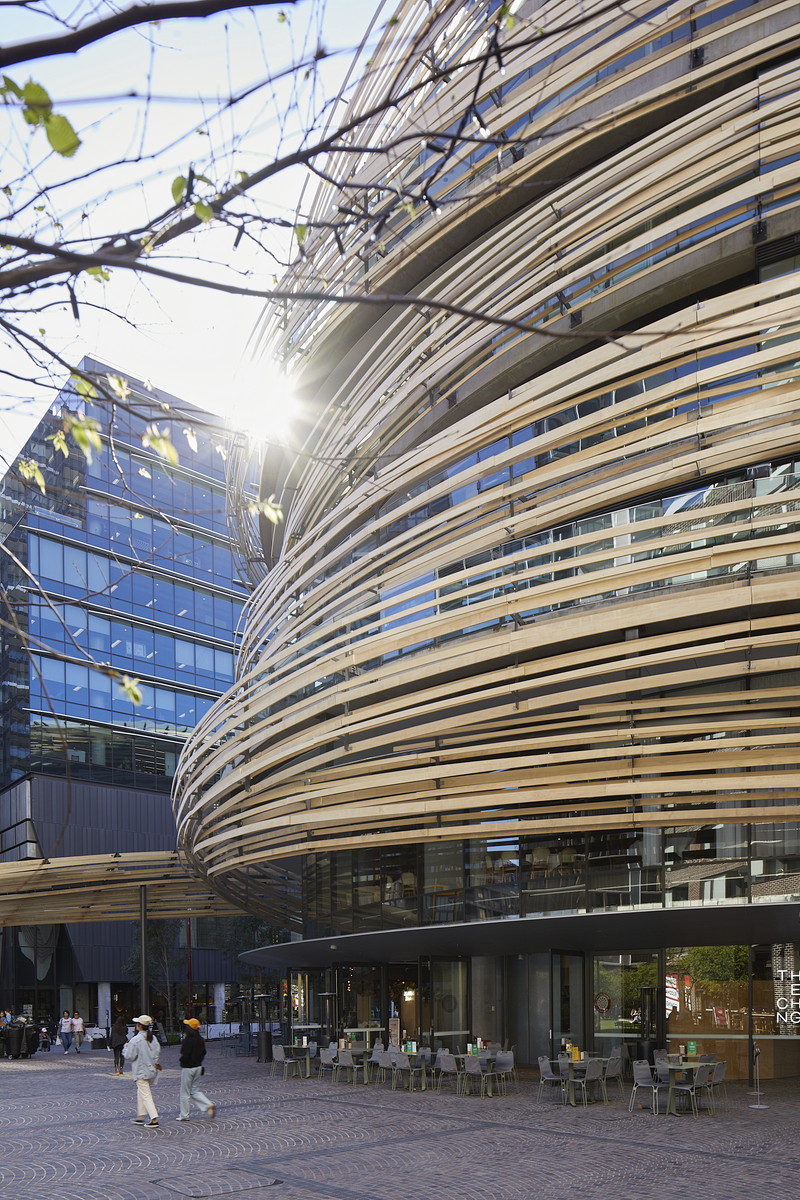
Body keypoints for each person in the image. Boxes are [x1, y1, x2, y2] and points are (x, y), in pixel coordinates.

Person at [122, 1014, 162, 1127]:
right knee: (142, 1092)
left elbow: (130, 1056)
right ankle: (140, 1116)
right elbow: (157, 1052)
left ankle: (154, 1119)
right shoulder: (152, 1038)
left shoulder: (135, 1040)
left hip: (141, 1070)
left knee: (145, 1094)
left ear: (139, 1026)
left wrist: (125, 1049)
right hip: (151, 1070)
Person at [177, 1018, 216, 1121]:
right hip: (198, 1067)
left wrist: (182, 1062)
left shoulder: (188, 1040)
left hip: (188, 1068)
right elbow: (204, 1052)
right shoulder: (200, 1039)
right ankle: (208, 1104)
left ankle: (184, 1115)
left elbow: (185, 1054)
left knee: (184, 1093)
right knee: (194, 1090)